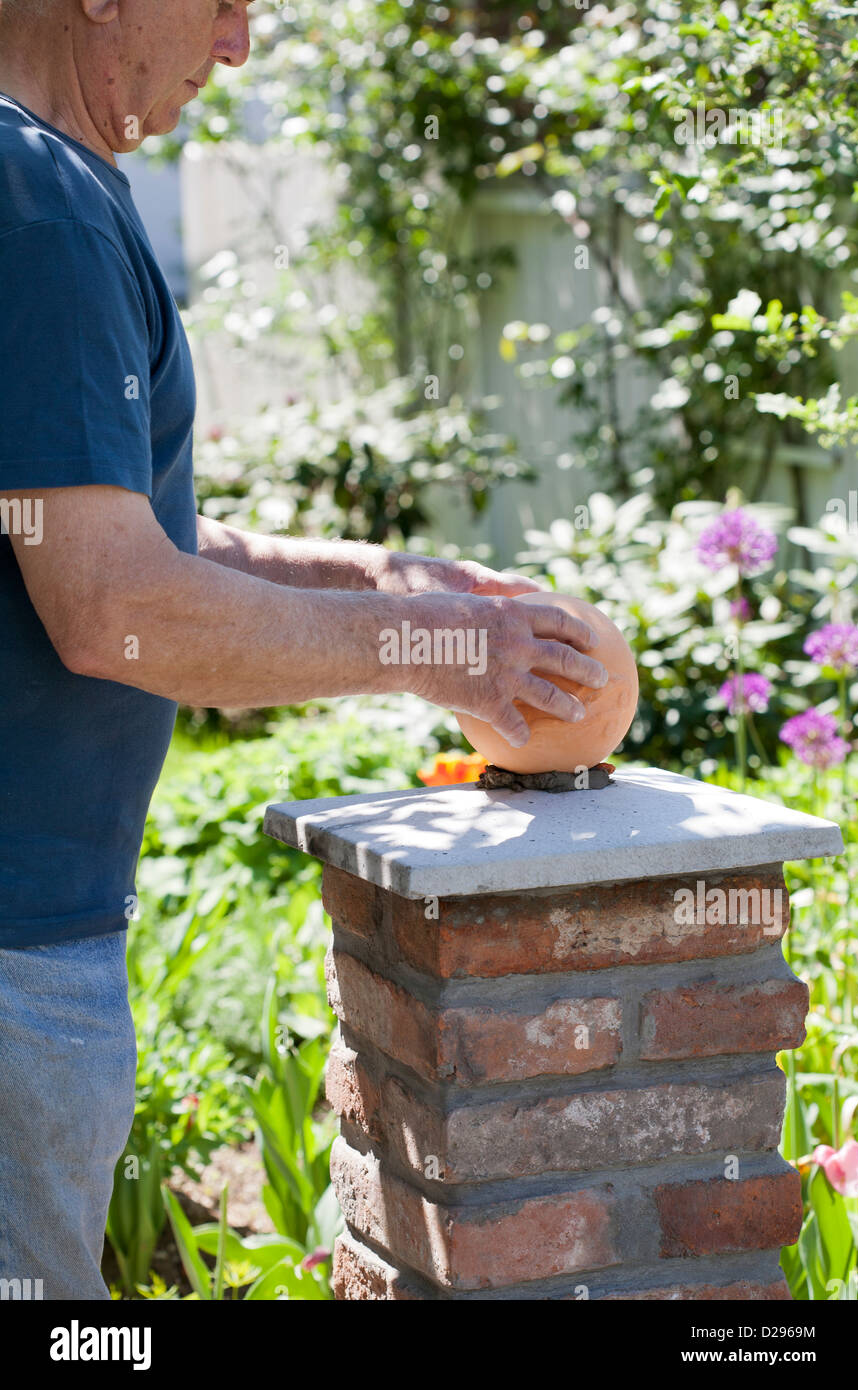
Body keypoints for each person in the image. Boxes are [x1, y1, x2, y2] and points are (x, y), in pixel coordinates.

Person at [0, 0, 607, 1300]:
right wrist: (432, 643)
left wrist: (386, 580)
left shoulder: (39, 184)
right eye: (219, 1)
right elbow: (119, 609)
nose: (237, 44)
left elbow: (119, 535)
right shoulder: (36, 202)